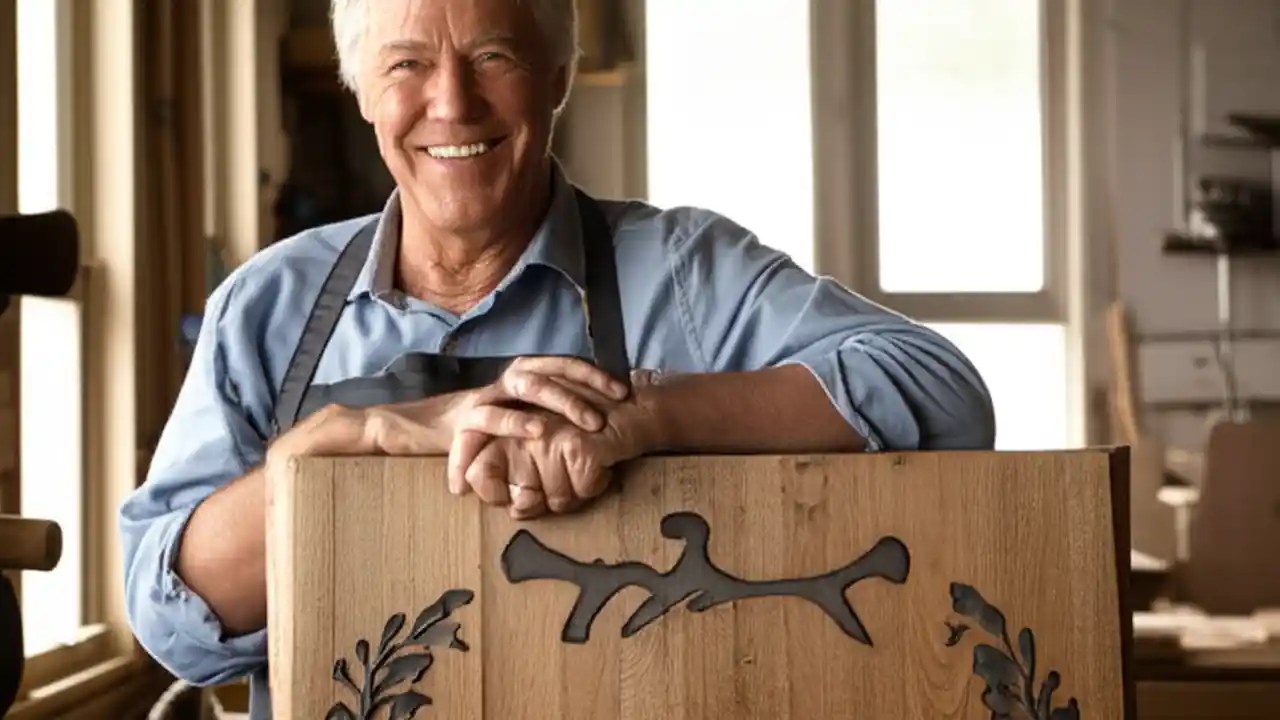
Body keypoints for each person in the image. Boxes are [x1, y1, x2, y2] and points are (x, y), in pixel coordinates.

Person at [119, 0, 996, 715]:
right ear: (363, 92)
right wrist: (344, 442)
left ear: (559, 77)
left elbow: (943, 394)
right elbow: (170, 624)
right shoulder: (268, 306)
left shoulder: (685, 273)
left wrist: (643, 415)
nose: (451, 103)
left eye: (492, 56)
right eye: (407, 63)